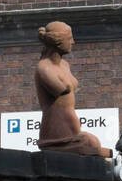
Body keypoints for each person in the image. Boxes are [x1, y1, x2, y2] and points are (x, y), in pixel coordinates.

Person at [34, 21, 111, 157]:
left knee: (94, 143)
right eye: (69, 38)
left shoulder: (65, 65)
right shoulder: (44, 68)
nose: (73, 42)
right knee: (91, 146)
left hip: (72, 126)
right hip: (56, 130)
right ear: (57, 41)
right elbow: (60, 89)